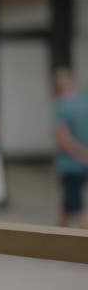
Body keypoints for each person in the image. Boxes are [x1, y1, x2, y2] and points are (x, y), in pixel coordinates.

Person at [52, 67, 88, 229]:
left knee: (79, 210)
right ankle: (56, 239)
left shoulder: (61, 106)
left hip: (71, 165)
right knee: (68, 206)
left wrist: (82, 154)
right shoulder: (84, 101)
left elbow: (62, 138)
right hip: (79, 163)